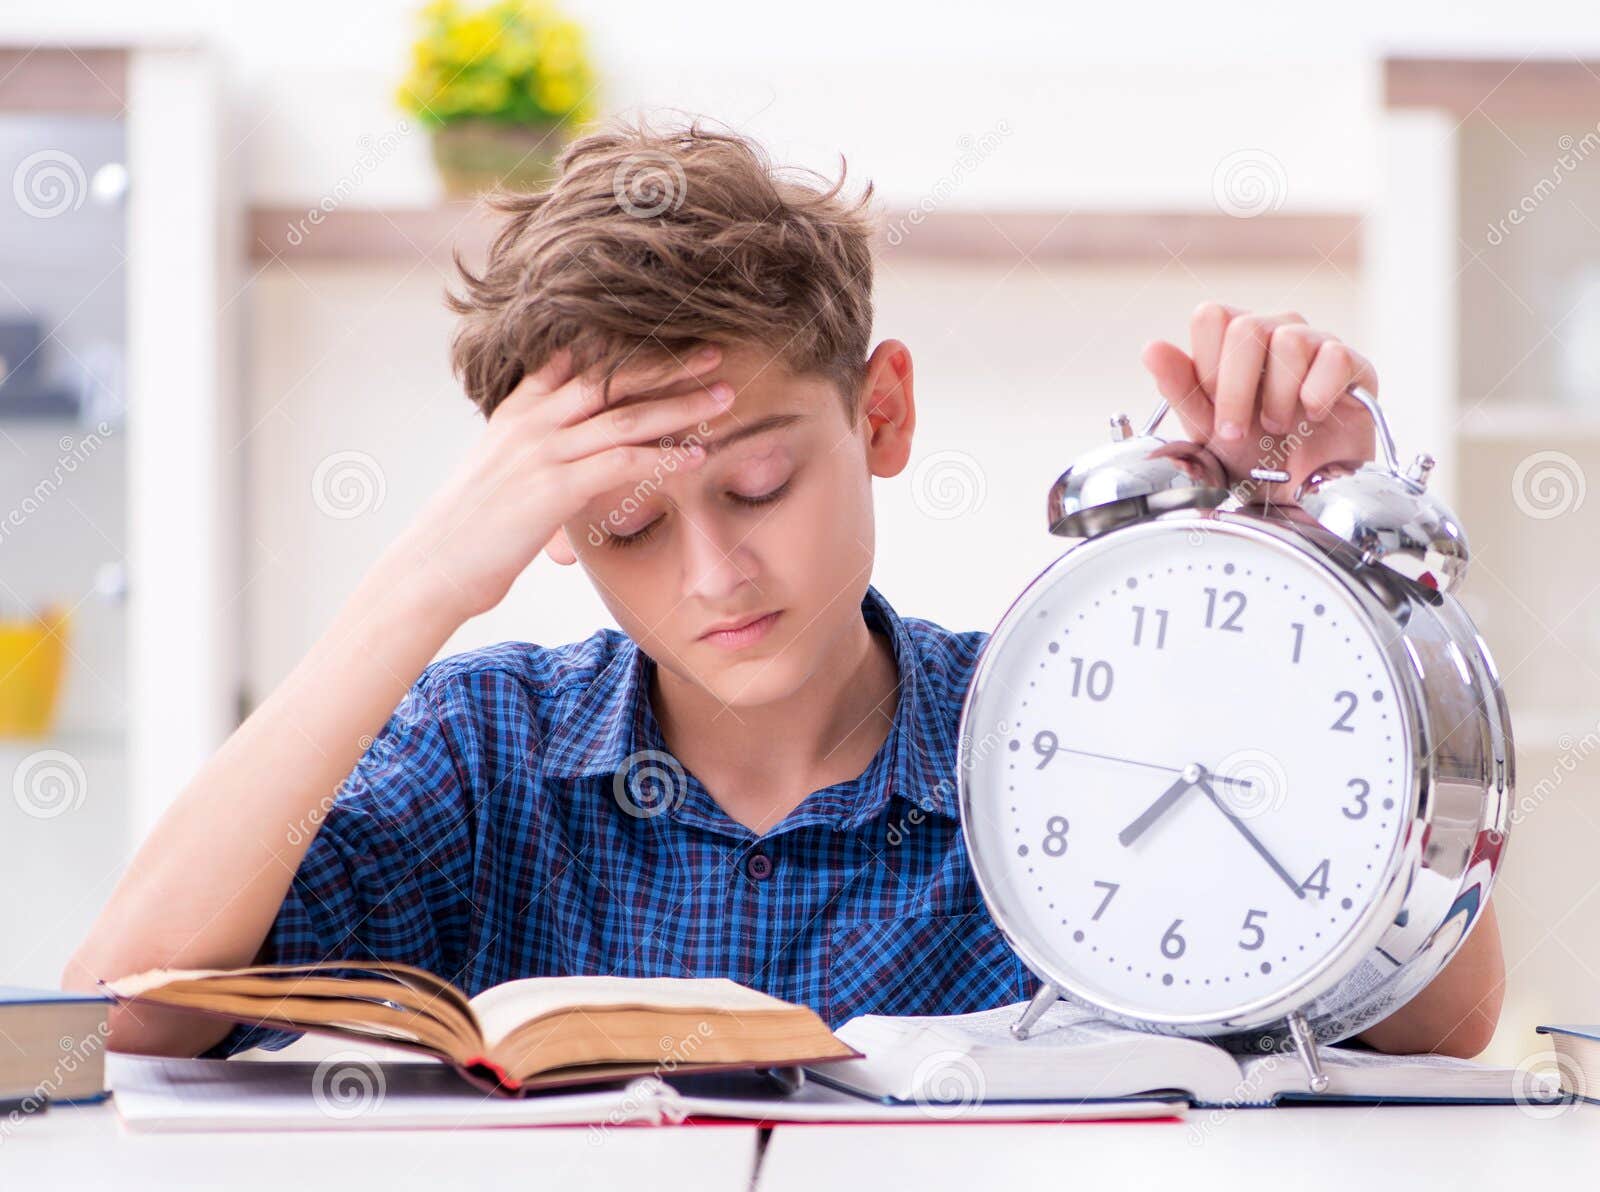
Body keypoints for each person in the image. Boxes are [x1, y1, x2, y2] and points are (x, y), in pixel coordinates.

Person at [66, 121, 1504, 1059]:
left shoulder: (1051, 735)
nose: (716, 571)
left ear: (881, 414)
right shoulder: (485, 752)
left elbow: (1437, 1028)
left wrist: (1338, 566)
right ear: (555, 524)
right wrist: (417, 587)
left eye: (759, 485)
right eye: (626, 520)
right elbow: (122, 1011)